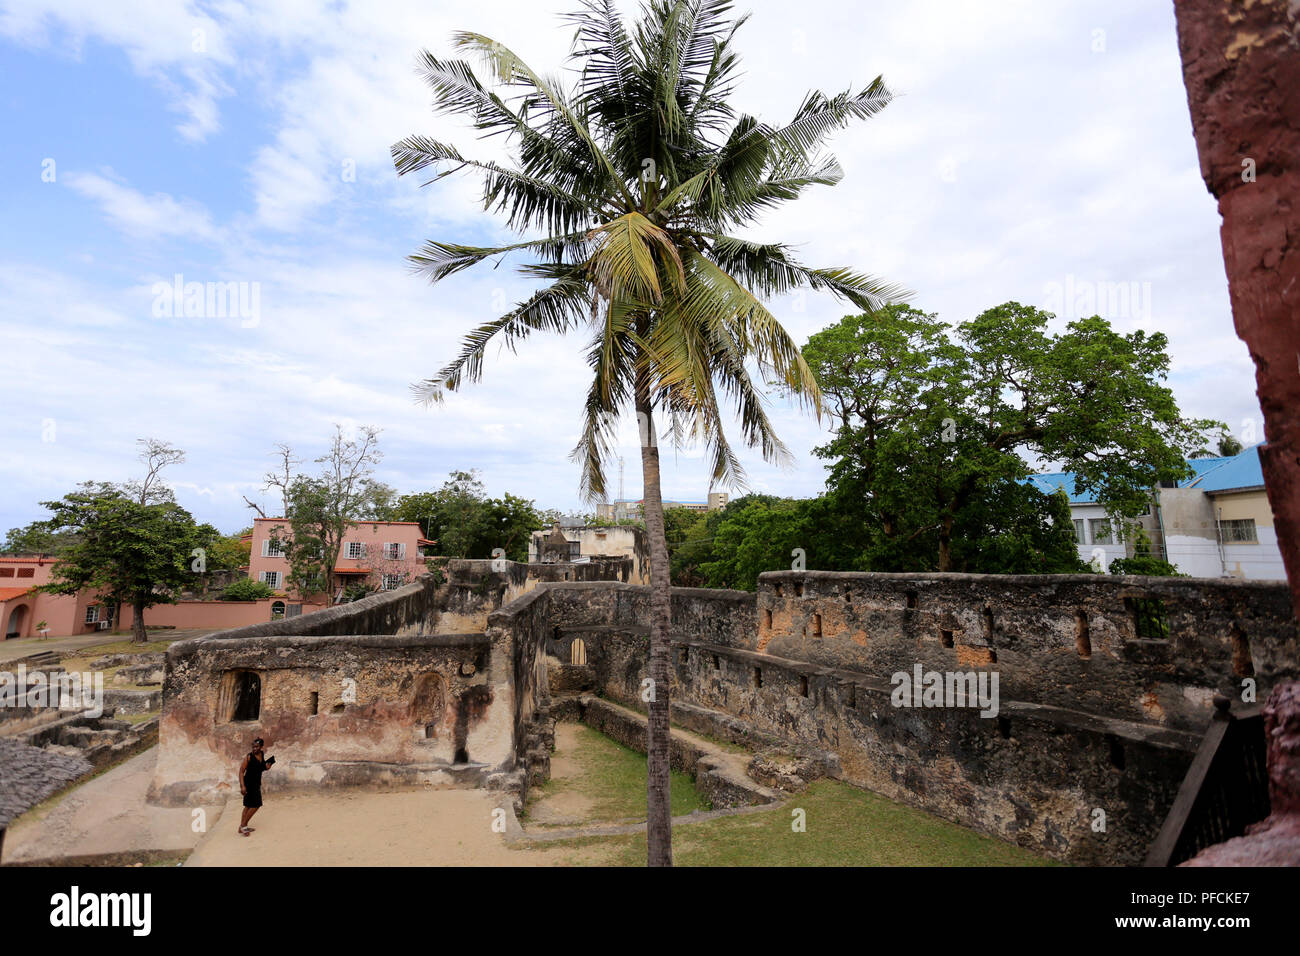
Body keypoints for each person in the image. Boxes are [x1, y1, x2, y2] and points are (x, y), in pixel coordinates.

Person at [237, 737, 275, 836]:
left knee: (248, 805)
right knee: (256, 805)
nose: (254, 749)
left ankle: (242, 827)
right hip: (248, 784)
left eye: (257, 747)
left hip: (256, 783)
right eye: (253, 747)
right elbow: (241, 771)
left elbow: (259, 768)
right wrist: (242, 786)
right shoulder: (249, 757)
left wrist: (266, 767)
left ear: (261, 747)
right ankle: (243, 825)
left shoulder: (261, 754)